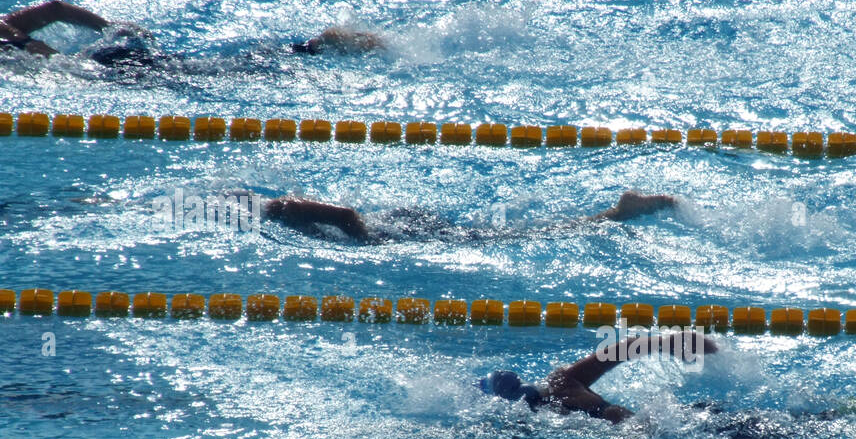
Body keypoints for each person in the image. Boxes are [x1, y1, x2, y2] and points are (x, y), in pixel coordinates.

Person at [1, 0, 384, 68]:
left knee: (216, 73)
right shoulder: (6, 25)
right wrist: (111, 28)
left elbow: (42, 57)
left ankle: (310, 48)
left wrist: (55, 62)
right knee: (204, 67)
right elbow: (54, 8)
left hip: (106, 70)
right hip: (107, 57)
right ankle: (307, 47)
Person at [261, 189, 678, 244]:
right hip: (405, 226)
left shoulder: (276, 209)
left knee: (508, 238)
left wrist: (366, 240)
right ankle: (612, 215)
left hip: (403, 232)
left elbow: (347, 215)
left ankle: (614, 215)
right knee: (505, 234)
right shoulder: (271, 210)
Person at [480, 330, 719, 423]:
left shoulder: (533, 416)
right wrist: (667, 342)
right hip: (662, 426)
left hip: (659, 432)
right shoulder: (560, 382)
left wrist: (668, 342)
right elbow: (623, 349)